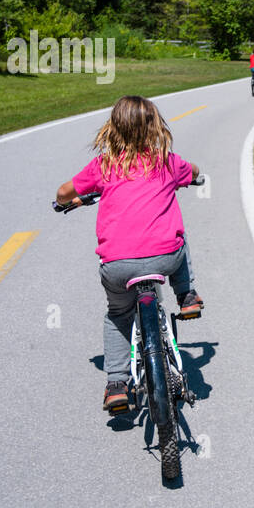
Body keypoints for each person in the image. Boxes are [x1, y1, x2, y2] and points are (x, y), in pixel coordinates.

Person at [54, 96, 204, 414]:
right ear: (155, 126)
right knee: (178, 237)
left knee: (118, 316)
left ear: (114, 129)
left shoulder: (103, 166)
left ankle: (117, 384)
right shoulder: (166, 162)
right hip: (166, 259)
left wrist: (64, 198)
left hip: (118, 268)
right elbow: (193, 170)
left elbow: (65, 192)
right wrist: (194, 175)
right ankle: (187, 295)